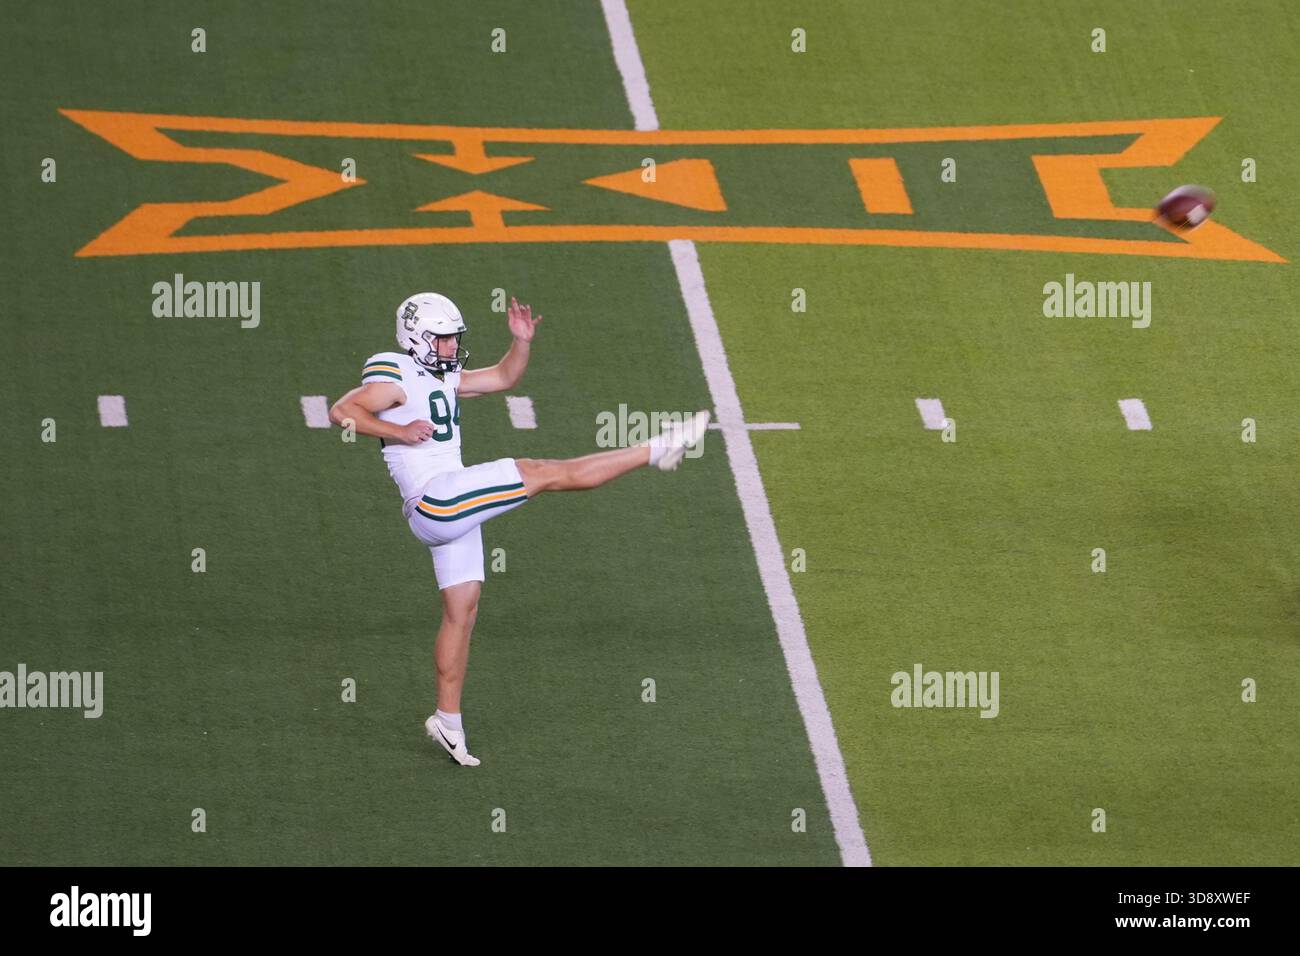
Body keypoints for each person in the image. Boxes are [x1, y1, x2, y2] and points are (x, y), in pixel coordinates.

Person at [329, 292, 709, 766]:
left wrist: (520, 342)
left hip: (449, 504)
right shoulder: (394, 375)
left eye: (453, 338)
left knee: (461, 612)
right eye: (442, 338)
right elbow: (341, 411)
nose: (450, 346)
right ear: (415, 338)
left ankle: (447, 723)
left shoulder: (440, 374)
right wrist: (403, 432)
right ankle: (657, 449)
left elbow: (504, 377)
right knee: (541, 470)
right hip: (436, 501)